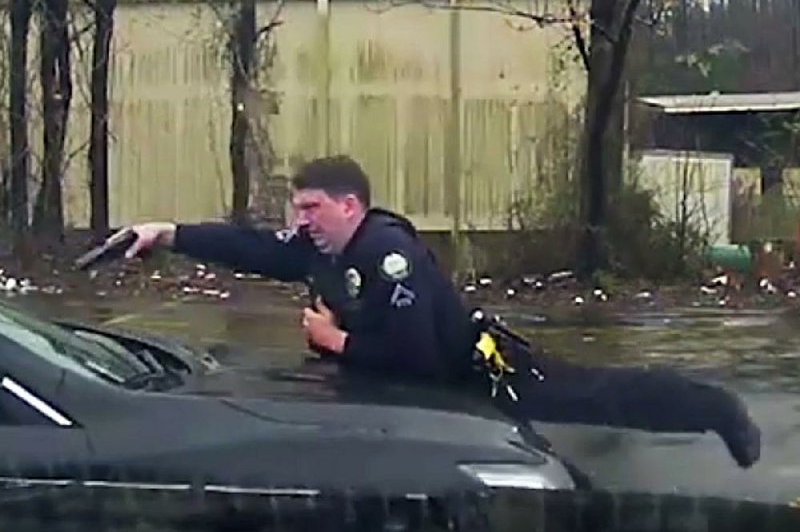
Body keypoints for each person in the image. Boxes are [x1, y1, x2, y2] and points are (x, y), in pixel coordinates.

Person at [106, 155, 761, 469]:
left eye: (311, 208)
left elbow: (417, 357)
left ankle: (715, 408)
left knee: (597, 395)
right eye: (297, 208)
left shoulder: (387, 253)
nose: (299, 220)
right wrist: (167, 233)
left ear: (349, 206)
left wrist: (334, 342)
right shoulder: (321, 251)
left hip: (479, 366)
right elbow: (249, 245)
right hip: (424, 387)